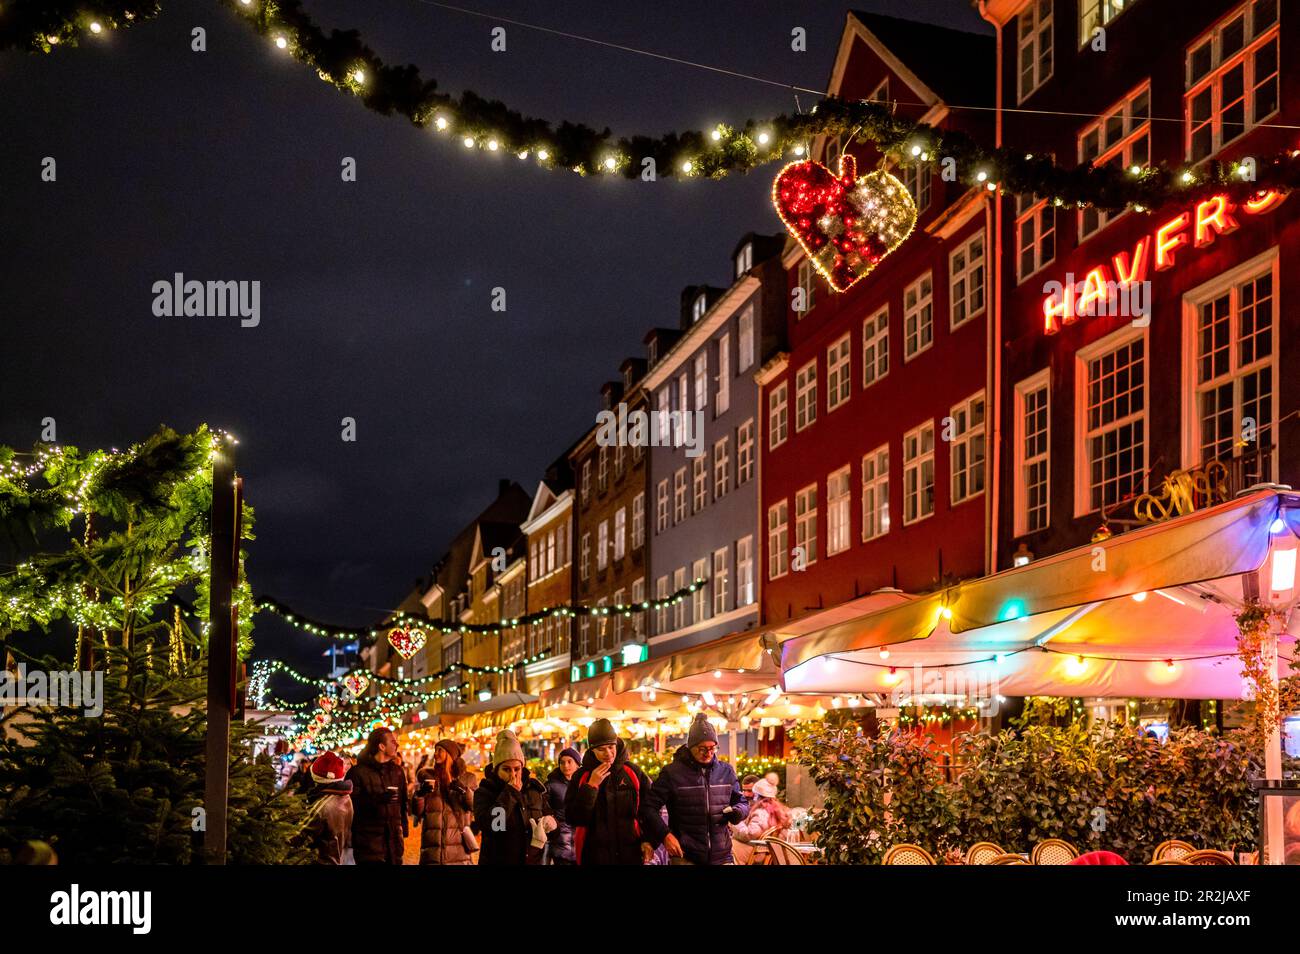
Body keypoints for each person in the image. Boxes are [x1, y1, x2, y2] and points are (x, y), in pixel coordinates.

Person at [646, 712, 748, 865]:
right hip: (685, 856)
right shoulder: (672, 773)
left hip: (722, 855)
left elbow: (743, 802)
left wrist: (738, 811)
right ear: (690, 746)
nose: (708, 753)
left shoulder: (726, 771)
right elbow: (648, 807)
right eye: (702, 749)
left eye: (712, 748)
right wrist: (665, 835)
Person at [564, 720, 666, 865]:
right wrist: (591, 786)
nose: (608, 753)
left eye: (611, 747)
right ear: (591, 750)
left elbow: (651, 809)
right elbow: (573, 818)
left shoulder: (633, 773)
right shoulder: (581, 777)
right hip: (593, 855)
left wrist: (648, 840)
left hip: (630, 854)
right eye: (601, 749)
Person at [473, 729, 554, 865]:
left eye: (517, 769)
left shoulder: (533, 790)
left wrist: (552, 824)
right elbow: (493, 827)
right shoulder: (485, 792)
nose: (513, 775)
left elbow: (549, 820)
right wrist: (510, 793)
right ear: (496, 769)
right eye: (506, 769)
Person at [347, 727, 408, 865]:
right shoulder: (357, 773)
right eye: (393, 742)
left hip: (393, 843)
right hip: (368, 844)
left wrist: (402, 830)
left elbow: (403, 803)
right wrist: (378, 800)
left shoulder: (397, 771)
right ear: (381, 746)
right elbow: (351, 807)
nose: (397, 745)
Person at [412, 739, 475, 865]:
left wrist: (464, 791)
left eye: (440, 750)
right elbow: (417, 811)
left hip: (458, 850)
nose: (435, 753)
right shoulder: (428, 777)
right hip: (432, 850)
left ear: (450, 755)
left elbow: (474, 806)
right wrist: (420, 794)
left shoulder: (467, 779)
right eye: (435, 750)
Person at [300, 751, 354, 865]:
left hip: (322, 860)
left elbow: (301, 834)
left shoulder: (322, 808)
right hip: (339, 857)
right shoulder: (345, 797)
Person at [545, 747, 581, 864]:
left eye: (569, 761)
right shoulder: (551, 785)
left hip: (579, 841)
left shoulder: (584, 783)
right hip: (560, 841)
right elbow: (545, 808)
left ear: (577, 764)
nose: (566, 765)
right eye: (562, 762)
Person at [732, 777, 792, 843]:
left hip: (756, 850)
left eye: (750, 791)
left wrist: (736, 821)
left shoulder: (761, 812)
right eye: (744, 790)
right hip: (771, 849)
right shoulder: (778, 809)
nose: (745, 794)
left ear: (757, 795)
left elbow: (750, 834)